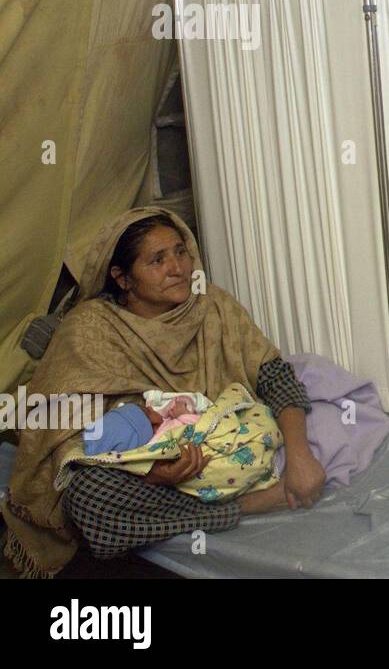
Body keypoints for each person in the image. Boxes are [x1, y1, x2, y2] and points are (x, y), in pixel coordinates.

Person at [1, 207, 326, 577]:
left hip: (217, 457)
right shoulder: (90, 329)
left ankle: (210, 502)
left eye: (181, 252)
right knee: (89, 499)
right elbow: (58, 430)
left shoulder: (212, 307)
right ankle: (247, 506)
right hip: (141, 472)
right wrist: (149, 472)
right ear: (123, 279)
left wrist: (300, 454)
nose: (178, 268)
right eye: (158, 260)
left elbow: (273, 373)